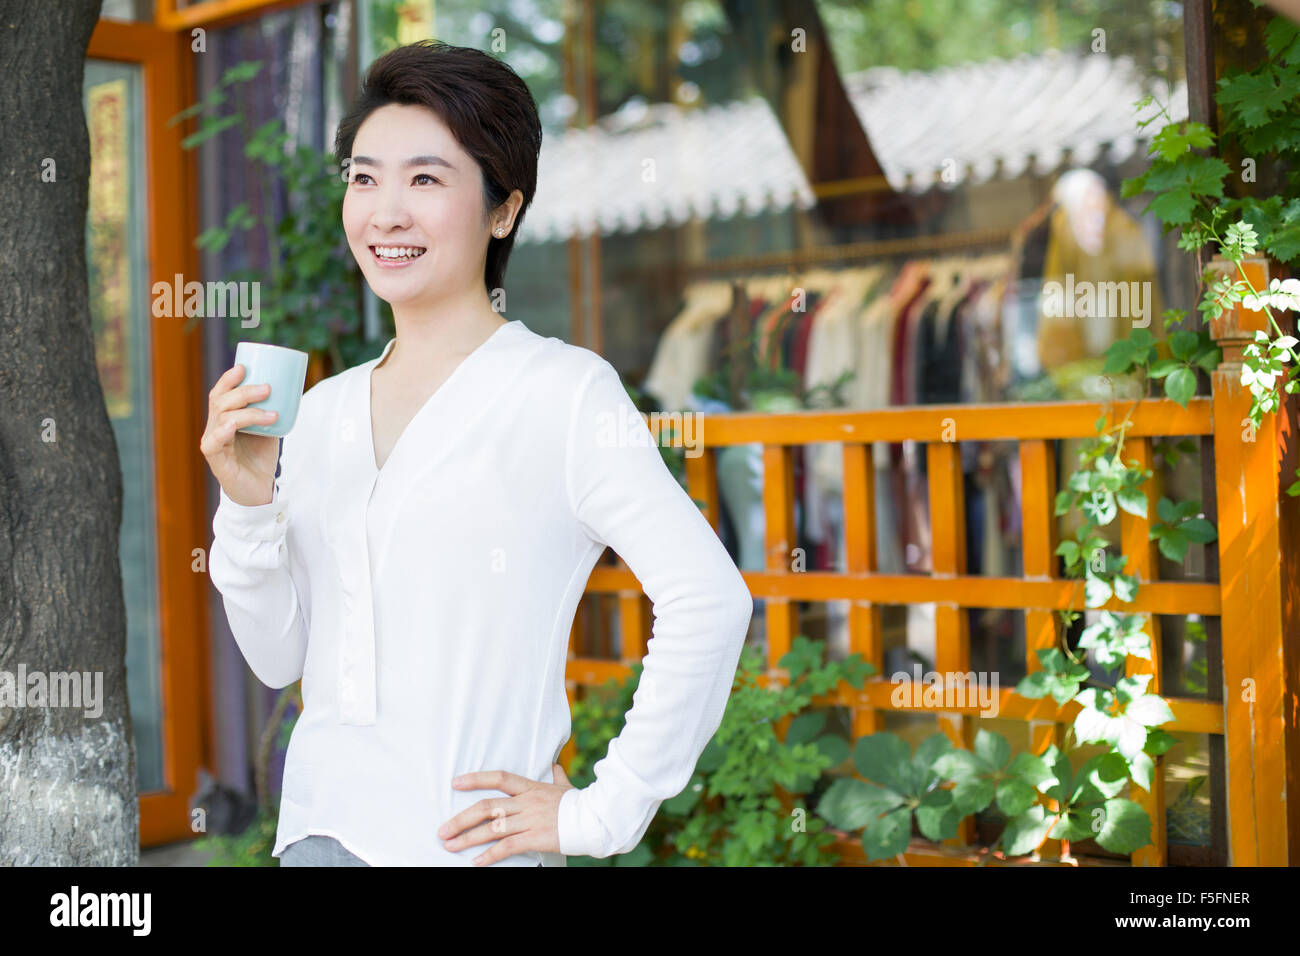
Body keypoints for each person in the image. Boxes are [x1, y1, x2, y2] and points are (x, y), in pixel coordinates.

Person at [200, 40, 753, 867]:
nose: (385, 211)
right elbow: (282, 657)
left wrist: (603, 813)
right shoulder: (321, 411)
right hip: (315, 839)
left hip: (471, 851)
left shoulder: (562, 393)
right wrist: (245, 508)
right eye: (363, 177)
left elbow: (709, 600)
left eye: (425, 178)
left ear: (503, 210)